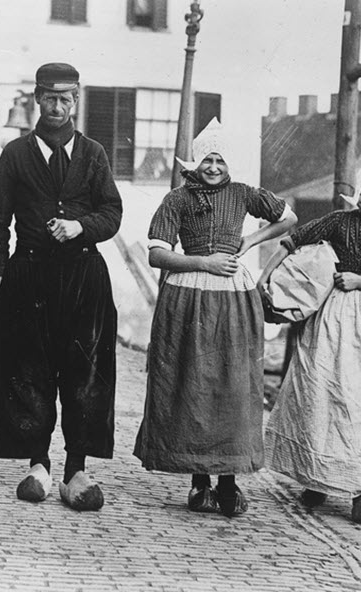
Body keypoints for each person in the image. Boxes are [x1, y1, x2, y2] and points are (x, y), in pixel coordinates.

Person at [133, 119, 297, 517]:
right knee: (191, 381)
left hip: (233, 298)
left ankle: (229, 481)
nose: (213, 167)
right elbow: (156, 253)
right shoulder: (177, 199)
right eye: (207, 159)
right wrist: (203, 261)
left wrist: (250, 241)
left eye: (220, 160)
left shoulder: (242, 194)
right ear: (194, 162)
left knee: (233, 384)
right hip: (187, 294)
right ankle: (199, 481)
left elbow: (288, 218)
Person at [0, 62, 122, 512]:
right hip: (29, 277)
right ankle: (38, 464)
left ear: (75, 101)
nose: (57, 107)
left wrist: (81, 227)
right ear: (37, 100)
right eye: (49, 98)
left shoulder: (94, 154)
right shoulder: (15, 153)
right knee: (29, 370)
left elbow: (112, 213)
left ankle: (75, 469)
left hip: (84, 278)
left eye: (66, 99)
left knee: (85, 373)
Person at [261, 155, 361, 524]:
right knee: (320, 392)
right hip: (329, 319)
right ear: (357, 193)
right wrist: (264, 280)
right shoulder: (338, 221)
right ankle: (317, 478)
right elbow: (291, 241)